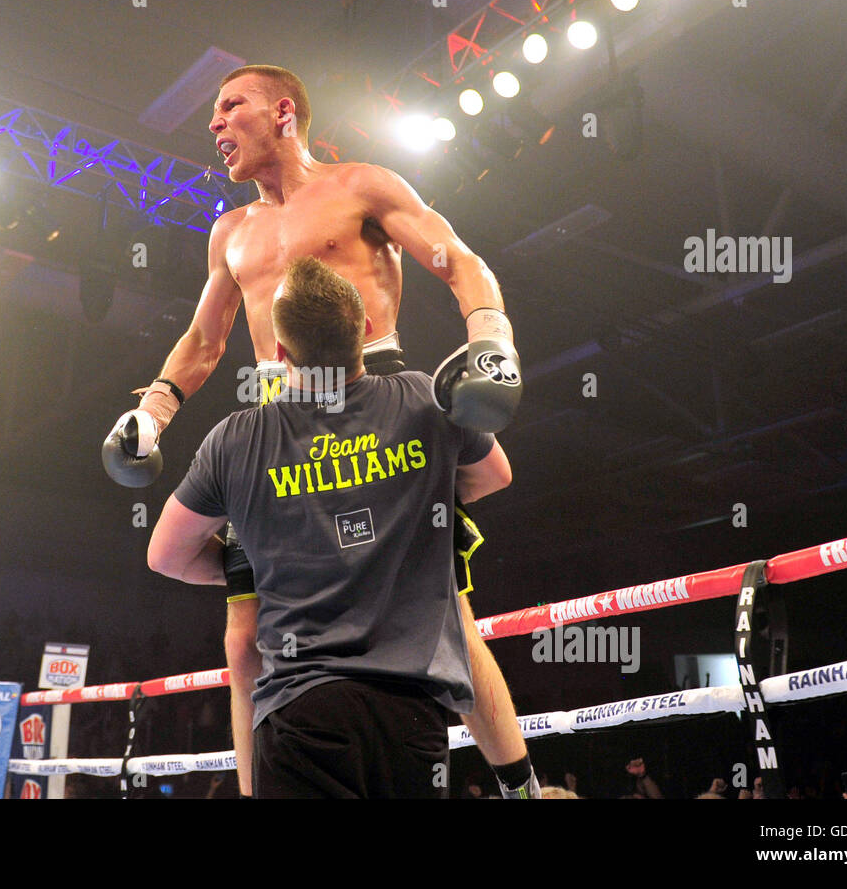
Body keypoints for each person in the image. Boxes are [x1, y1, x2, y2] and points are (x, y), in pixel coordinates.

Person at [104, 64, 530, 797]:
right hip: (280, 422)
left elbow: (456, 259)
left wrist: (491, 340)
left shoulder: (361, 185)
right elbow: (205, 343)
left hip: (377, 402)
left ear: (284, 113)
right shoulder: (230, 231)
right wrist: (153, 411)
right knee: (243, 643)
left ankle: (518, 782)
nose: (214, 125)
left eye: (230, 106)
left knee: (448, 615)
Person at [146, 257, 528, 798]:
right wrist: (408, 513)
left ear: (279, 354)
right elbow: (495, 477)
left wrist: (275, 553)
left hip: (300, 714)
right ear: (367, 331)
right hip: (411, 719)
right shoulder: (423, 399)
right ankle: (520, 780)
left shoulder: (235, 439)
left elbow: (166, 556)